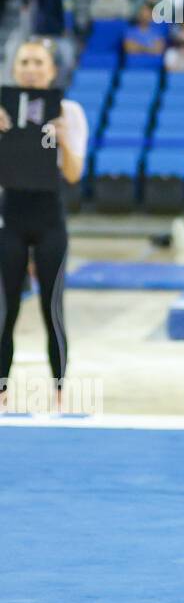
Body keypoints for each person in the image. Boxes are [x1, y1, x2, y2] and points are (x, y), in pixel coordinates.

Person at [0, 40, 89, 411]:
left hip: (50, 218)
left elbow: (73, 174)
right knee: (4, 311)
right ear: (14, 68)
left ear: (52, 70)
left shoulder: (68, 111)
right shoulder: (2, 110)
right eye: (25, 62)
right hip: (10, 217)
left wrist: (65, 140)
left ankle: (58, 391)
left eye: (38, 62)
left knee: (52, 308)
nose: (31, 68)